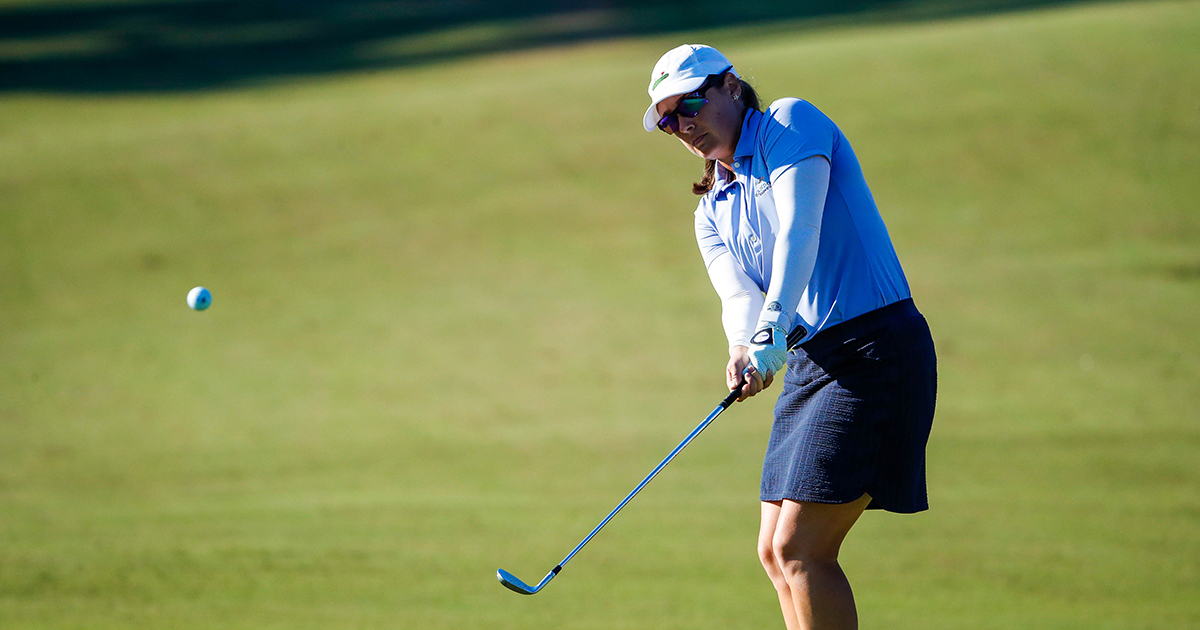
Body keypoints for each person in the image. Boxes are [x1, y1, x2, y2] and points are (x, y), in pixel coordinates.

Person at [642, 44, 937, 630]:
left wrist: (771, 329)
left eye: (691, 103)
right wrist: (743, 348)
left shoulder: (789, 121)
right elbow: (738, 298)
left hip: (875, 349)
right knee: (775, 552)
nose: (683, 125)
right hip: (811, 364)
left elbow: (797, 232)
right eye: (669, 119)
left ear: (730, 86)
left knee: (803, 549)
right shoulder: (711, 212)